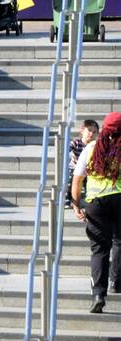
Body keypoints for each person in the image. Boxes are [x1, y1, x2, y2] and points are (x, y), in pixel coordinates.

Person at [72, 111, 121, 314]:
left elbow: (77, 178)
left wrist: (76, 204)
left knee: (99, 249)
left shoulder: (92, 147)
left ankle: (99, 294)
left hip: (95, 203)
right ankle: (116, 282)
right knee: (120, 241)